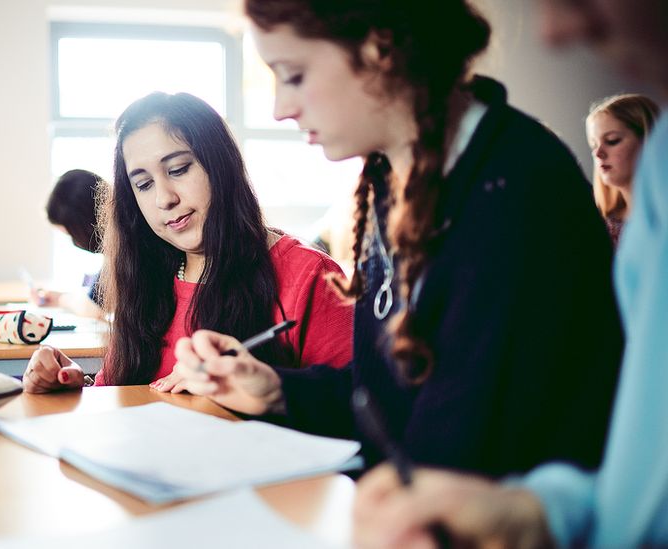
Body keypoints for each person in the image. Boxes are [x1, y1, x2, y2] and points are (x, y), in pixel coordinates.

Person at [172, 0, 622, 478]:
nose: (282, 108)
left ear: (379, 49)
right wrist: (280, 391)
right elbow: (394, 396)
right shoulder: (394, 180)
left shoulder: (517, 186)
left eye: (294, 75)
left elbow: (474, 446)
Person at [353, 0, 668, 547]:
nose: (555, 31)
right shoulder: (664, 170)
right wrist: (539, 512)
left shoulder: (520, 187)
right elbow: (640, 468)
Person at [22, 92, 354, 393]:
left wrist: (256, 391)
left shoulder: (311, 276)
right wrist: (78, 390)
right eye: (144, 184)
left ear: (221, 166)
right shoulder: (145, 277)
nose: (164, 199)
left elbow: (361, 413)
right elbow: (122, 392)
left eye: (179, 169)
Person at [586, 93, 660, 245]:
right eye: (594, 145)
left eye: (612, 141)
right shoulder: (598, 225)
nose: (598, 153)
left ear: (648, 142)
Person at [34, 169, 108, 320]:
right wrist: (59, 298)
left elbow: (94, 309)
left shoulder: (123, 248)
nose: (75, 243)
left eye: (71, 235)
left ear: (83, 225)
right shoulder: (128, 229)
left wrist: (61, 299)